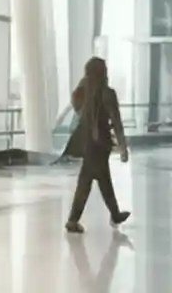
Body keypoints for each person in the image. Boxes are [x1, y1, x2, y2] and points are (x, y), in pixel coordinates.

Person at [65, 57, 131, 233]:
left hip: (87, 141)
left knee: (100, 179)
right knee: (89, 180)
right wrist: (123, 146)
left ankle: (114, 213)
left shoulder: (84, 91)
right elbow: (116, 122)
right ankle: (73, 220)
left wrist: (84, 82)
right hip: (101, 143)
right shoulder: (107, 93)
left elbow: (75, 102)